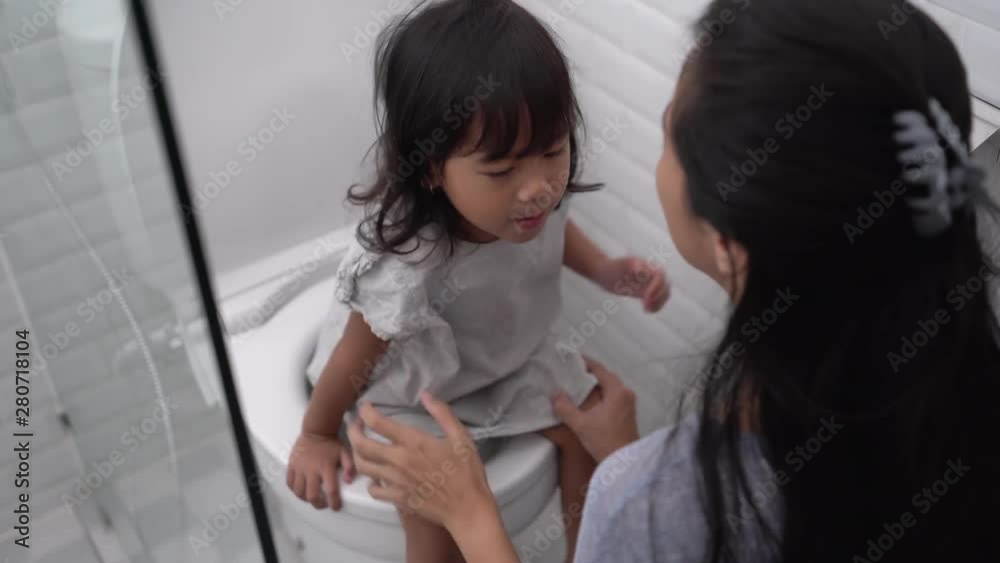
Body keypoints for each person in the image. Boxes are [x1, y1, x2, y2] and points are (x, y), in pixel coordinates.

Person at [346, 0, 1000, 561]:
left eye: (669, 132)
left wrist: (473, 515)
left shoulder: (654, 503)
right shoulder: (955, 408)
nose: (541, 187)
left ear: (726, 244)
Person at [285, 1, 669, 562]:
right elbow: (354, 358)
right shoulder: (409, 261)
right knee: (432, 514)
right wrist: (317, 434)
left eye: (553, 152)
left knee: (588, 433)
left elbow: (560, 233)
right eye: (502, 170)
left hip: (500, 359)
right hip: (412, 392)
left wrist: (608, 272)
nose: (537, 187)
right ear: (431, 167)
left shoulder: (535, 202)